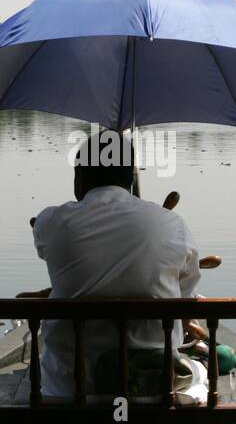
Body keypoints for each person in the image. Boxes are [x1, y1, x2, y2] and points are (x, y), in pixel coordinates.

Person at [31, 129, 202, 400]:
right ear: (130, 179)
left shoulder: (50, 221)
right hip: (155, 384)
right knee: (197, 373)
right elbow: (185, 301)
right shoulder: (172, 224)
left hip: (71, 387)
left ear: (80, 177)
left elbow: (50, 253)